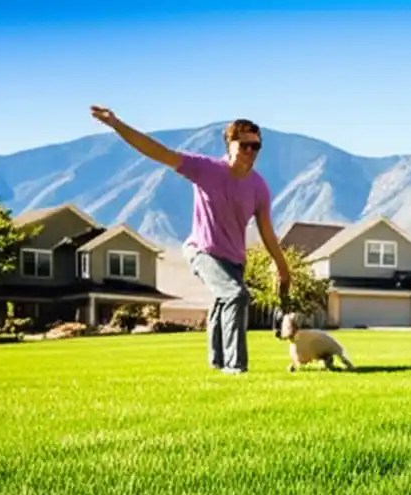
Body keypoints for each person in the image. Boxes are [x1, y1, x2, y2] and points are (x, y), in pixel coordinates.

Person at [89, 106, 290, 374]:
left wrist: (281, 265)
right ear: (229, 144)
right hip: (202, 251)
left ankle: (217, 362)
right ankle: (235, 366)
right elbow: (158, 152)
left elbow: (266, 231)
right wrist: (117, 124)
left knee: (223, 300)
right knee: (236, 295)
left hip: (234, 259)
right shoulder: (204, 169)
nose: (250, 152)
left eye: (256, 147)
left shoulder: (258, 187)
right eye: (244, 145)